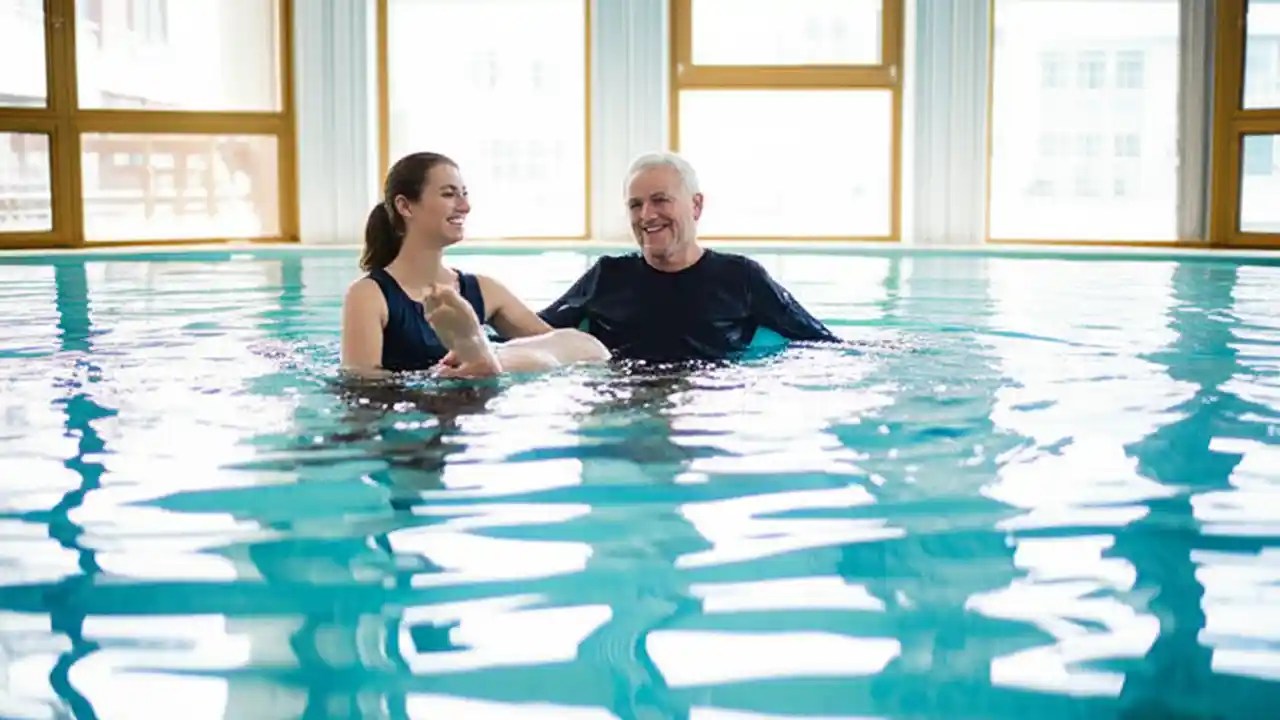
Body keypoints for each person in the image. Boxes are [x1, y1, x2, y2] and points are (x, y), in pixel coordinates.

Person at [537, 151, 841, 362]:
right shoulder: (608, 276)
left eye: (660, 201)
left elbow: (820, 342)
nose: (646, 216)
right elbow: (536, 332)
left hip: (702, 403)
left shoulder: (740, 277)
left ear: (696, 206)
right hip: (627, 398)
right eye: (635, 205)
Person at [341, 151, 609, 378]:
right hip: (417, 414)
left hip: (473, 410)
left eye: (464, 194)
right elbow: (363, 387)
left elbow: (562, 346)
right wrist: (438, 377)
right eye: (449, 194)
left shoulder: (483, 289)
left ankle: (481, 357)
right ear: (405, 206)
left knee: (584, 344)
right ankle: (469, 362)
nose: (465, 206)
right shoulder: (368, 295)